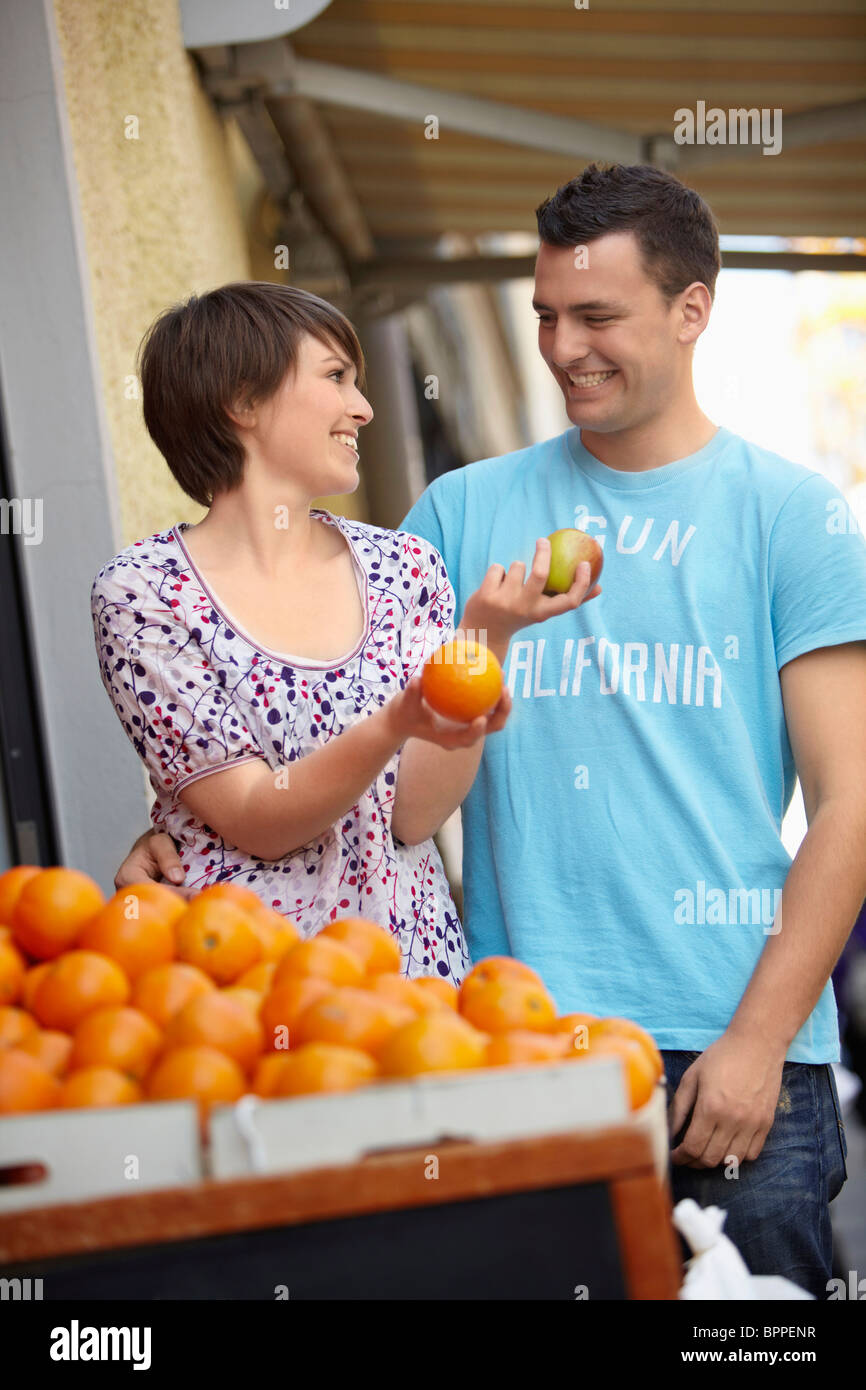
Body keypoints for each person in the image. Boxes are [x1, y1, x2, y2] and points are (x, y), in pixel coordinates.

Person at [116, 167, 866, 1297]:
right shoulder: (455, 518)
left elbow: (848, 798)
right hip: (502, 1036)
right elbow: (327, 693)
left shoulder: (790, 517)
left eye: (598, 317)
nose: (564, 347)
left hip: (731, 1038)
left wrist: (759, 1040)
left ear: (690, 310)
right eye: (545, 316)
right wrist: (178, 819)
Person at [92, 282, 598, 983]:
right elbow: (256, 818)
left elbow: (415, 815)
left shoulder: (404, 567)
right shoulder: (144, 595)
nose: (363, 408)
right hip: (240, 997)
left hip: (412, 986)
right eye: (335, 378)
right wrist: (393, 724)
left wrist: (485, 640)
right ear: (242, 401)